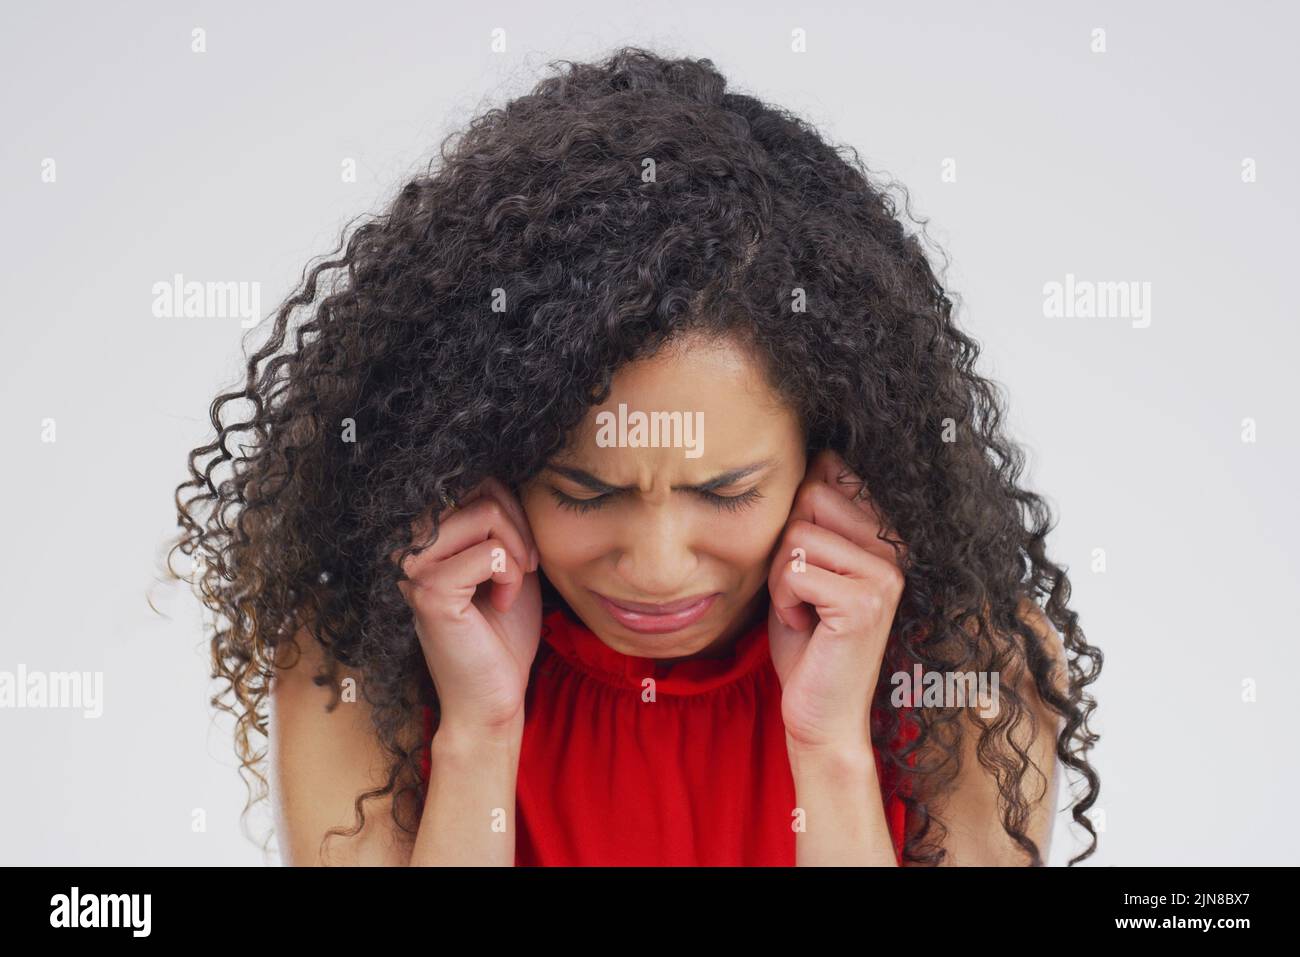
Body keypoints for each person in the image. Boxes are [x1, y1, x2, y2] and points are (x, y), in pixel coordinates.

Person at [171, 46, 1101, 866]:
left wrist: (829, 753)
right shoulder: (354, 662)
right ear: (487, 460)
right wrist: (479, 736)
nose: (657, 568)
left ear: (830, 458)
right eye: (585, 491)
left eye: (726, 490)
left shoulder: (974, 674)